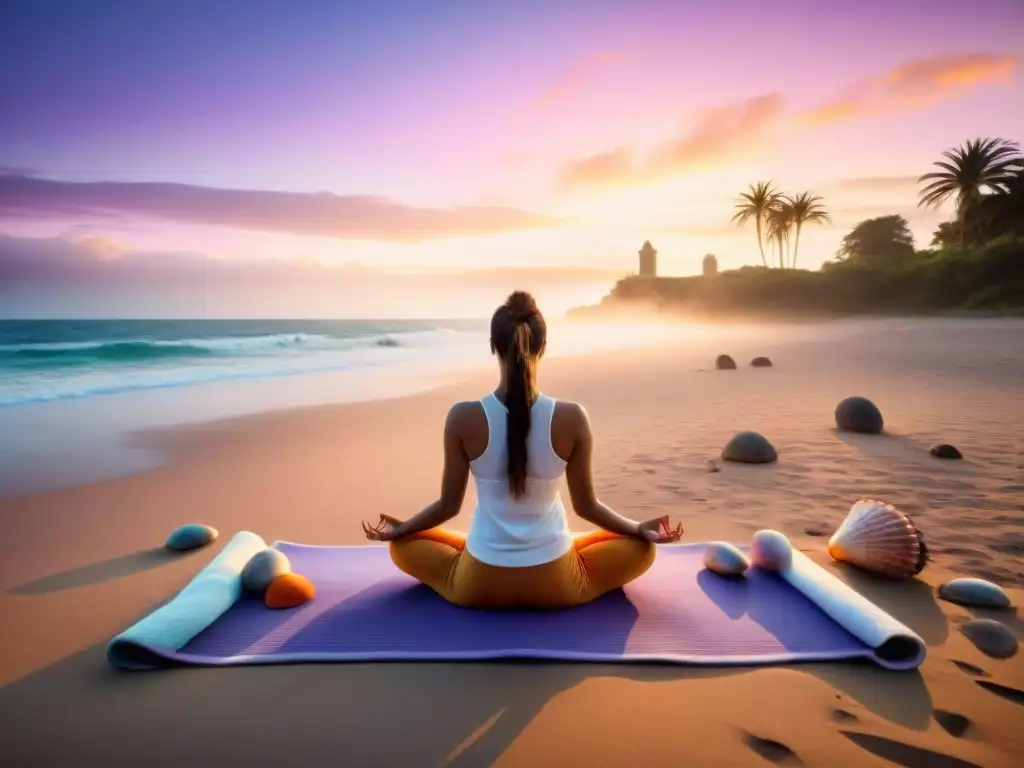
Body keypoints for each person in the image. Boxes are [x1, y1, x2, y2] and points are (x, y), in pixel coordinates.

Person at [361, 290, 682, 609]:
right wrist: (639, 529)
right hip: (559, 583)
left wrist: (401, 530)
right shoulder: (572, 417)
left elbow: (448, 506)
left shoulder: (463, 417)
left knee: (403, 545)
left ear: (492, 346)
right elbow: (587, 507)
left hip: (478, 585)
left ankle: (462, 552)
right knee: (642, 548)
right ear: (543, 347)